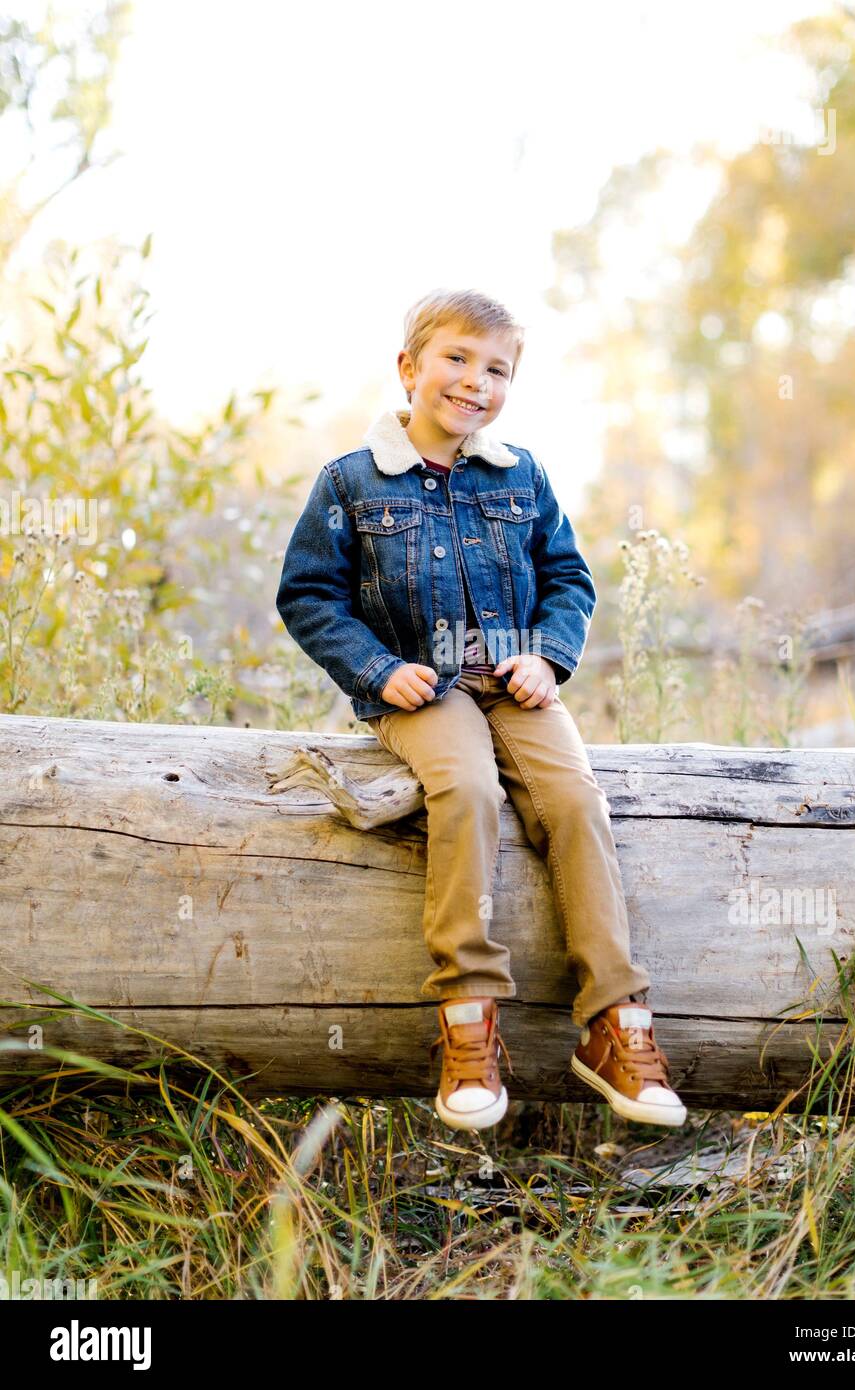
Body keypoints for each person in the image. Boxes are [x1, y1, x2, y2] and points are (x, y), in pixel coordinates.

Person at [276, 287, 686, 1133]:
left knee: (575, 800)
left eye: (496, 369)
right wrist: (377, 669)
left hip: (512, 679)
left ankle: (616, 1023)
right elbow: (309, 594)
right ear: (409, 368)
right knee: (467, 793)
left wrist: (547, 654)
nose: (475, 382)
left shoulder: (520, 474)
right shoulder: (352, 481)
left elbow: (569, 577)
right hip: (422, 686)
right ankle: (467, 1020)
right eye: (456, 359)